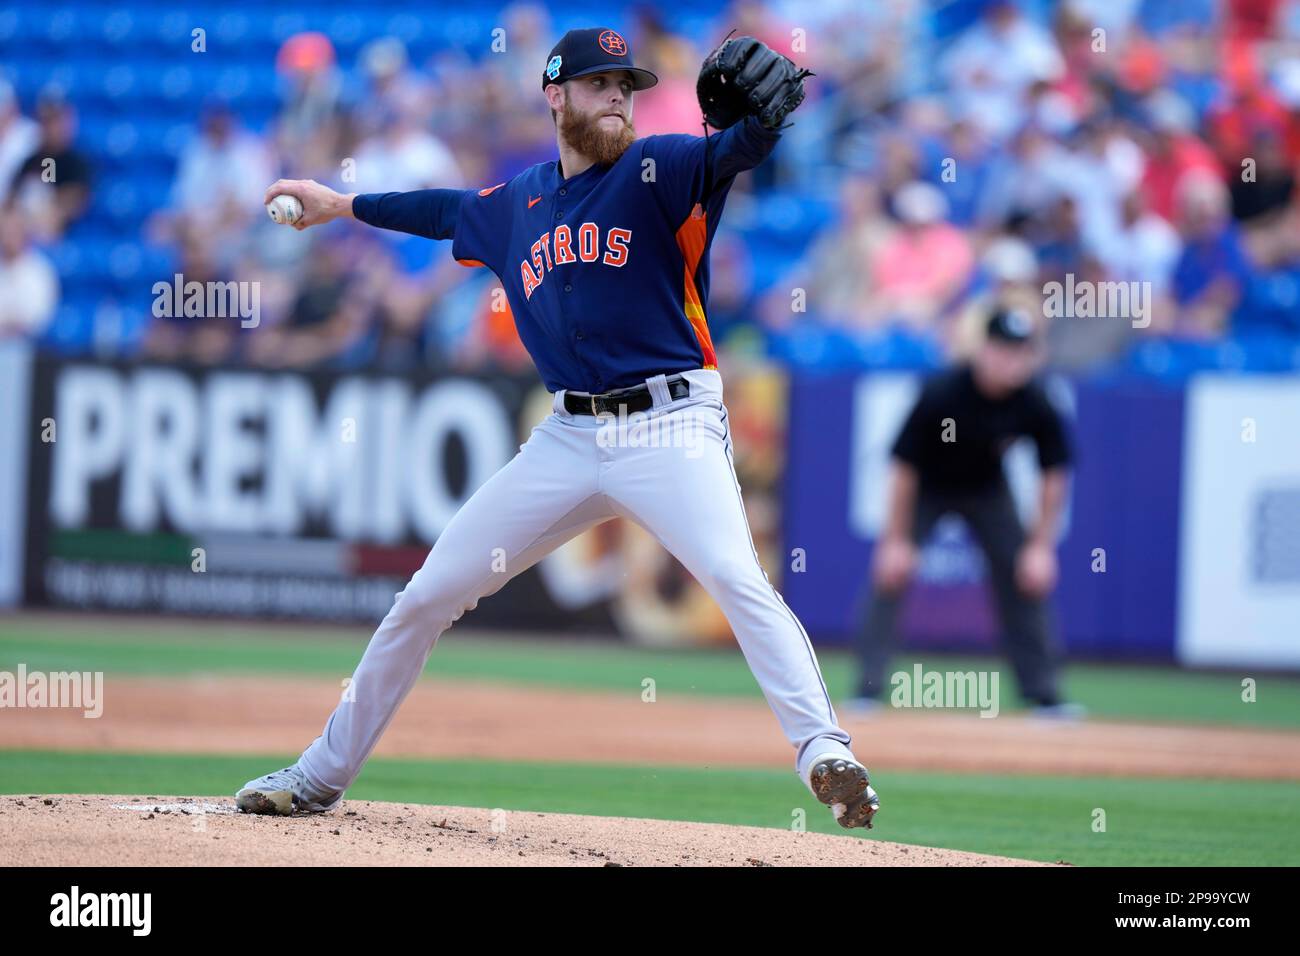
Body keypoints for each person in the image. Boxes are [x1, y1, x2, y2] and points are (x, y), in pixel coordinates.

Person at [235, 27, 879, 831]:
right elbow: (443, 211)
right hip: (567, 439)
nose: (619, 95)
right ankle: (320, 775)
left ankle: (824, 752)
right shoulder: (517, 205)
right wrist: (341, 203)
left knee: (738, 579)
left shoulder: (660, 169)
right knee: (425, 597)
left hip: (672, 424)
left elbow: (736, 150)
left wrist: (769, 124)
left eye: (627, 85)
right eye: (601, 82)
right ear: (556, 95)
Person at [851, 307, 1081, 717]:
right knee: (891, 572)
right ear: (983, 349)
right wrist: (895, 540)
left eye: (1020, 352)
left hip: (987, 490)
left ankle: (1044, 694)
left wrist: (1040, 546)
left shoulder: (1036, 398)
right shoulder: (944, 391)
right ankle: (866, 690)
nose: (1010, 360)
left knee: (1024, 576)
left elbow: (1054, 474)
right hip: (929, 488)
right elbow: (904, 468)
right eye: (1002, 350)